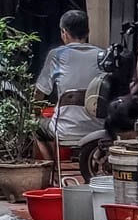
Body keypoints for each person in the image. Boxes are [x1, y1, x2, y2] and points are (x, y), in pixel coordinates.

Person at [34, 9, 103, 155]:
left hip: (64, 130)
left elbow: (39, 93)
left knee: (35, 126)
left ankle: (51, 165)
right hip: (99, 130)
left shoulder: (57, 55)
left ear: (64, 33)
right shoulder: (102, 56)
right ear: (87, 32)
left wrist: (35, 113)